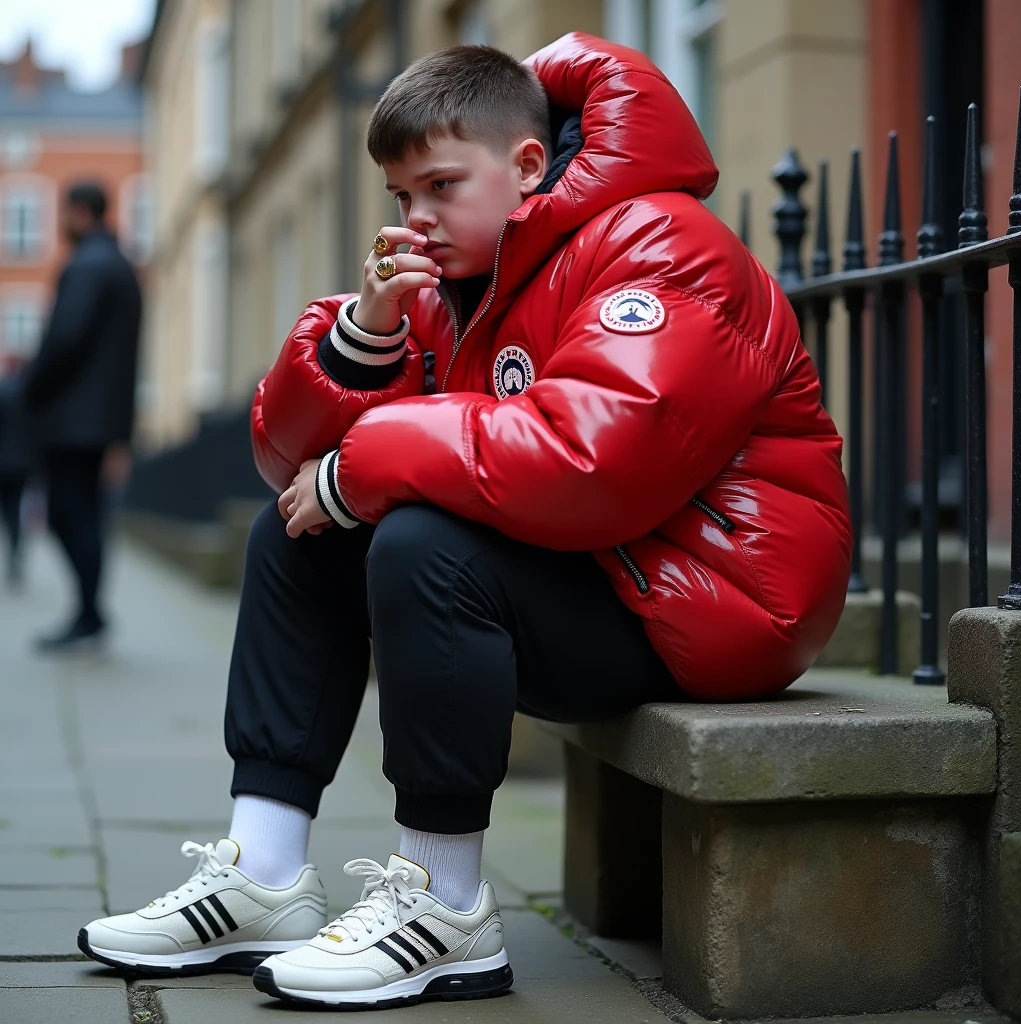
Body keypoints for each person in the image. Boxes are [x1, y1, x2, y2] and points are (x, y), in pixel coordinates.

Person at [78, 35, 851, 1009]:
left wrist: (357, 470)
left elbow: (593, 461)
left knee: (417, 538)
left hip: (709, 606)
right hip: (596, 573)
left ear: (528, 165)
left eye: (440, 186)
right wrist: (366, 334)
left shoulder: (661, 241)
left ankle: (445, 906)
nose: (418, 217)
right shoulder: (459, 287)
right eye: (401, 197)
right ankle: (263, 872)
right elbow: (285, 462)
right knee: (296, 530)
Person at [22, 182, 142, 651]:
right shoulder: (120, 266)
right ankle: (88, 612)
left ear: (77, 212)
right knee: (85, 515)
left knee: (67, 514)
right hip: (100, 418)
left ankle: (89, 614)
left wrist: (32, 386)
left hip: (74, 421)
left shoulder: (88, 265)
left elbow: (64, 338)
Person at [0, 368, 32, 587]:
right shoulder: (28, 396)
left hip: (3, 463)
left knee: (7, 510)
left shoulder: (2, 394)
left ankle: (14, 555)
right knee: (14, 511)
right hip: (22, 464)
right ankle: (14, 555)